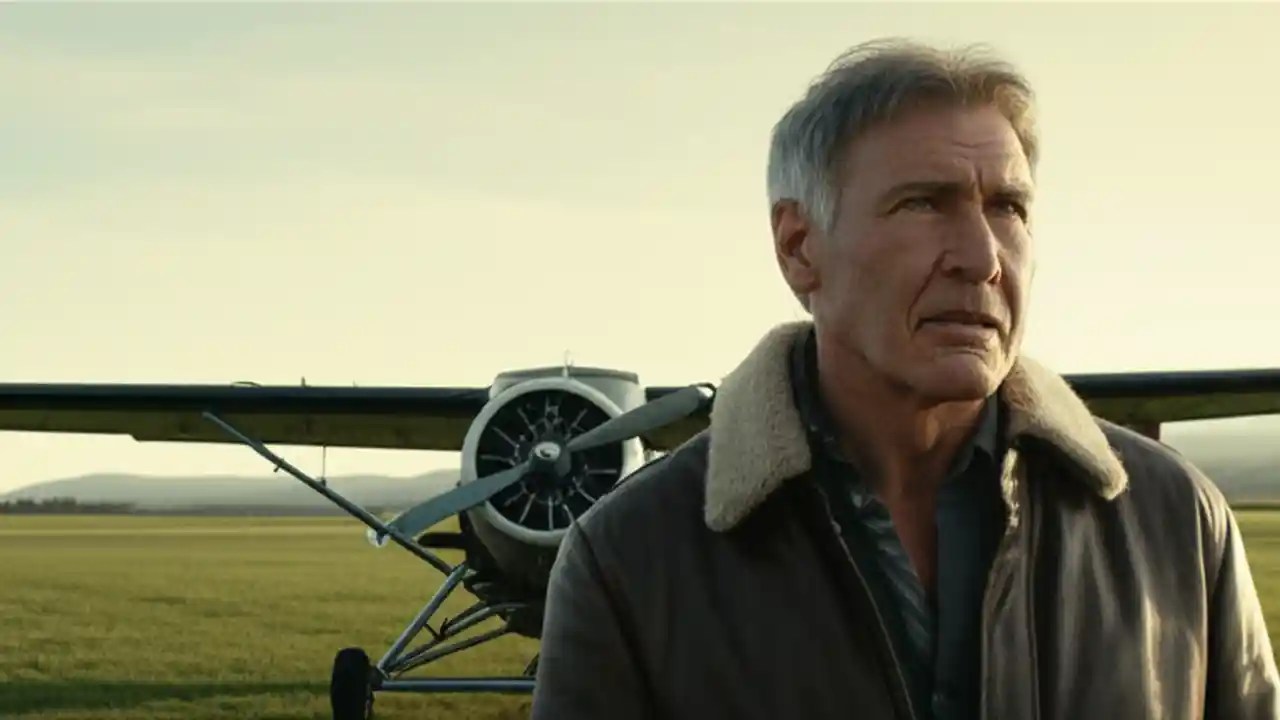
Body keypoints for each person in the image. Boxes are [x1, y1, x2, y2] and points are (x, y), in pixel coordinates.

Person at [530, 38, 1279, 720]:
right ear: (798, 247)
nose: (982, 256)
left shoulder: (1180, 524)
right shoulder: (629, 558)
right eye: (923, 204)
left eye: (1009, 208)